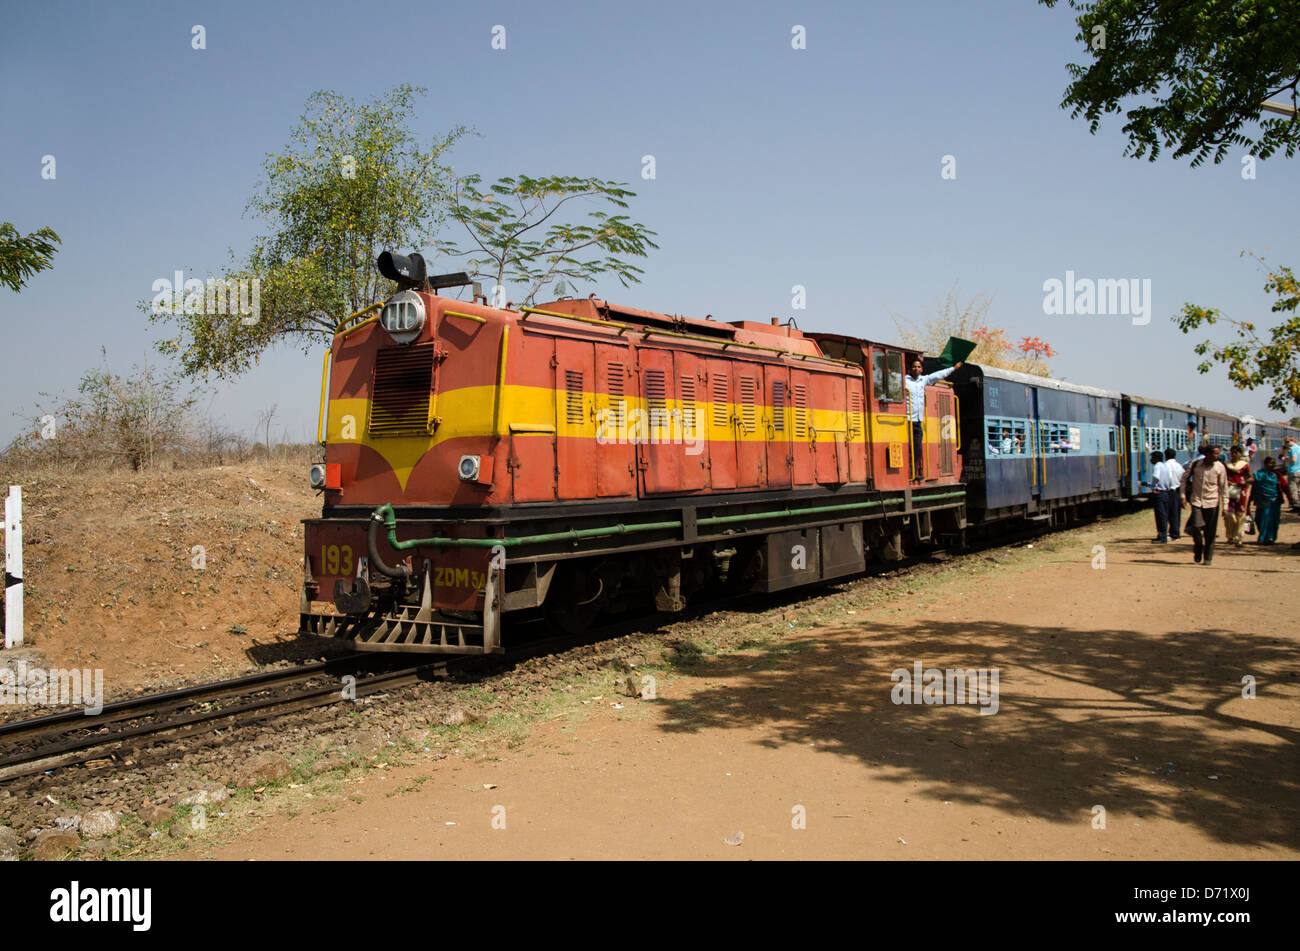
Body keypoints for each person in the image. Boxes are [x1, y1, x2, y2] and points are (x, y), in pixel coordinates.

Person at [905, 357, 962, 481]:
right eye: (914, 366)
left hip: (918, 420)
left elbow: (937, 375)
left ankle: (913, 472)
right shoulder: (904, 381)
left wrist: (953, 368)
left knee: (917, 448)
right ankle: (908, 472)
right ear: (910, 369)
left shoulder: (923, 380)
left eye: (919, 367)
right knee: (909, 448)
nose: (916, 368)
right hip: (907, 420)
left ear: (922, 369)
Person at [1180, 443, 1227, 565]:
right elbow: (1184, 479)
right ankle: (1198, 546)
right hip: (1197, 501)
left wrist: (1225, 506)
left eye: (1218, 453)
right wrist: (1182, 494)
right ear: (1207, 454)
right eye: (1215, 453)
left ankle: (1208, 557)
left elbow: (1223, 488)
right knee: (1195, 527)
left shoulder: (1220, 467)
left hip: (1212, 502)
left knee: (1210, 532)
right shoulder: (1196, 464)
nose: (1218, 456)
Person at [1222, 445, 1253, 547]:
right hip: (1229, 491)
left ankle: (1238, 538)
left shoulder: (1244, 465)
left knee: (1240, 516)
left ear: (1240, 454)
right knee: (1230, 515)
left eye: (1236, 452)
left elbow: (1251, 478)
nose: (1234, 454)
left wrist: (1244, 482)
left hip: (1241, 492)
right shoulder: (1226, 465)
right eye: (1232, 452)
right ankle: (1230, 535)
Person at [1253, 457, 1286, 544]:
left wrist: (1291, 499)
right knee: (1260, 519)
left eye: (1274, 463)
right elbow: (1254, 485)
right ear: (1265, 464)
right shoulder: (1259, 474)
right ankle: (1263, 536)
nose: (1273, 465)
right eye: (1271, 463)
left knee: (1273, 520)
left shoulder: (1277, 475)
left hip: (1274, 500)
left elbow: (1284, 486)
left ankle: (1269, 538)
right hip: (1262, 501)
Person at [1142, 451, 1173, 542]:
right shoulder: (1165, 467)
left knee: (1160, 516)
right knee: (1164, 514)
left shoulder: (1157, 466)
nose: (1151, 460)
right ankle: (1163, 535)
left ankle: (1162, 536)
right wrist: (1148, 484)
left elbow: (1156, 477)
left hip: (1159, 493)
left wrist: (1153, 486)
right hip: (1166, 492)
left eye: (1152, 458)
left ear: (1156, 459)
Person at [1163, 448, 1184, 541]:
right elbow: (1183, 478)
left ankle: (1171, 533)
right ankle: (1176, 533)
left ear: (1166, 456)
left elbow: (1166, 478)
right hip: (1177, 491)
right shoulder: (1179, 466)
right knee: (1176, 512)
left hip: (1168, 491)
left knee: (1167, 513)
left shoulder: (1165, 466)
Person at [1285, 437, 1300, 511]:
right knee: (1299, 490)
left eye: (1287, 442)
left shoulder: (1293, 449)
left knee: (1293, 490)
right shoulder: (1299, 448)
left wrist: (1286, 459)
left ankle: (1296, 506)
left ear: (1292, 441)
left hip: (1293, 471)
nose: (1286, 444)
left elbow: (1294, 459)